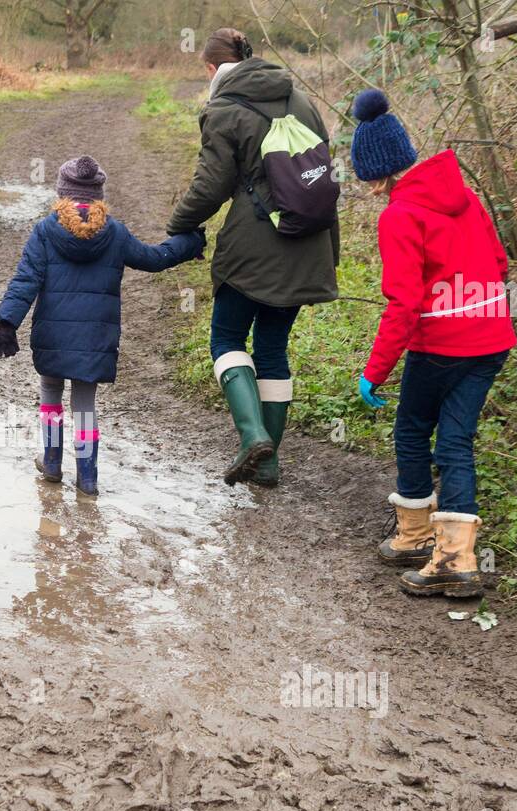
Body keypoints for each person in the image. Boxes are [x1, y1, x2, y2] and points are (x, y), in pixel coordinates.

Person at [351, 88, 517, 598]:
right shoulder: (463, 195)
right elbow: (500, 263)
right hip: (491, 338)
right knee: (456, 441)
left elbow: (403, 305)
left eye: (370, 181)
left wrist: (374, 371)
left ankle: (418, 536)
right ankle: (457, 557)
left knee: (412, 431)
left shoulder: (399, 216)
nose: (371, 191)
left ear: (379, 172)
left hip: (442, 345)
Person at [167, 27, 340, 487]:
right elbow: (318, 171)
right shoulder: (300, 100)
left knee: (225, 339)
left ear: (211, 68)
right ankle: (267, 463)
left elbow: (210, 186)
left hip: (254, 250)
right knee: (272, 348)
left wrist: (177, 226)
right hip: (309, 244)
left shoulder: (224, 110)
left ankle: (252, 436)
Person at [0, 155, 203, 496]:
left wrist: (7, 323)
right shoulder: (115, 233)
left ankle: (50, 463)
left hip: (53, 334)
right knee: (85, 405)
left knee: (50, 393)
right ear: (99, 195)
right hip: (95, 338)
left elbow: (25, 279)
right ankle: (87, 479)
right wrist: (190, 242)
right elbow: (153, 258)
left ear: (62, 193)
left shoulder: (46, 231)